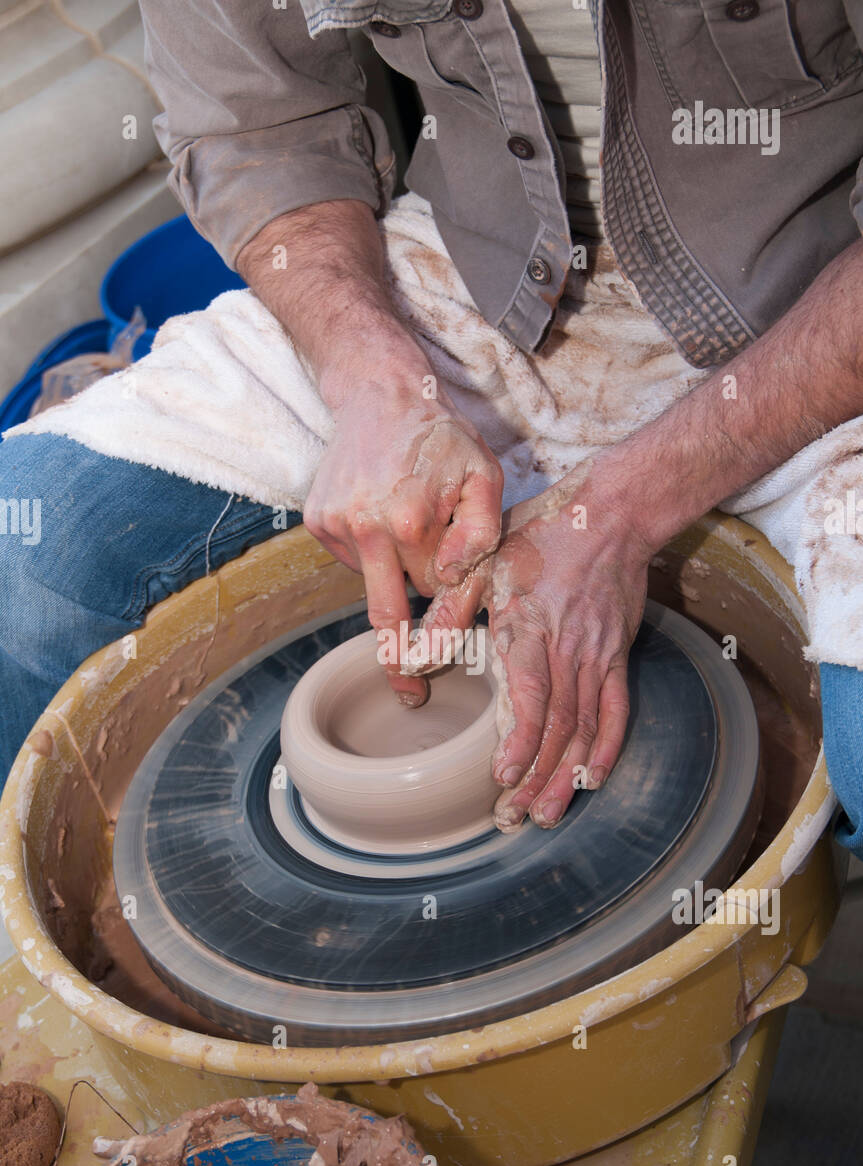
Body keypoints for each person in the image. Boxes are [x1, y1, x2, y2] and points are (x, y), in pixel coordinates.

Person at [2, 0, 863, 852]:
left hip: (814, 314)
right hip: (470, 276)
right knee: (25, 567)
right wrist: (375, 382)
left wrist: (616, 514)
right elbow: (260, 129)